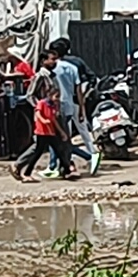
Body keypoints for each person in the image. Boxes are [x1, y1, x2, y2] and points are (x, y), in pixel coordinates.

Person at [11, 52, 76, 182]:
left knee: (61, 142)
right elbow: (30, 95)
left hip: (56, 114)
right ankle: (19, 165)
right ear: (43, 61)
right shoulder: (40, 76)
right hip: (46, 117)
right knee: (42, 145)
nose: (55, 62)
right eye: (52, 59)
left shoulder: (53, 76)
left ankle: (66, 169)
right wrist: (40, 109)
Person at [46, 42, 98, 177]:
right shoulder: (75, 64)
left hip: (61, 106)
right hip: (74, 103)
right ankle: (90, 154)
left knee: (62, 137)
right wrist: (82, 105)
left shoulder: (53, 68)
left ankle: (69, 163)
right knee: (81, 131)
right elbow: (83, 85)